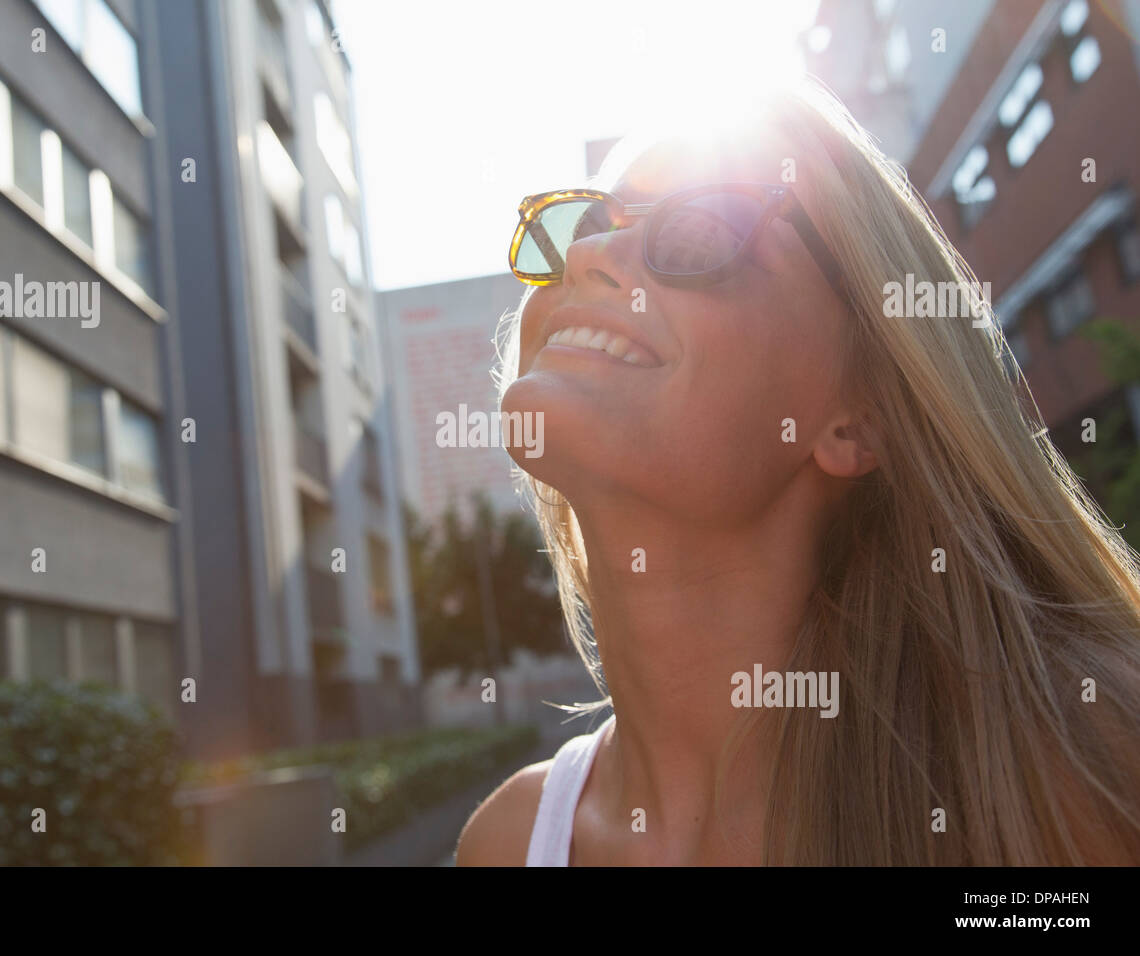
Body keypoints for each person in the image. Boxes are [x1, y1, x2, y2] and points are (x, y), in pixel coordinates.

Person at [456, 79, 1140, 866]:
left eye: (699, 228)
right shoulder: (508, 844)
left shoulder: (1071, 782)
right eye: (584, 224)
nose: (584, 257)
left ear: (859, 418)